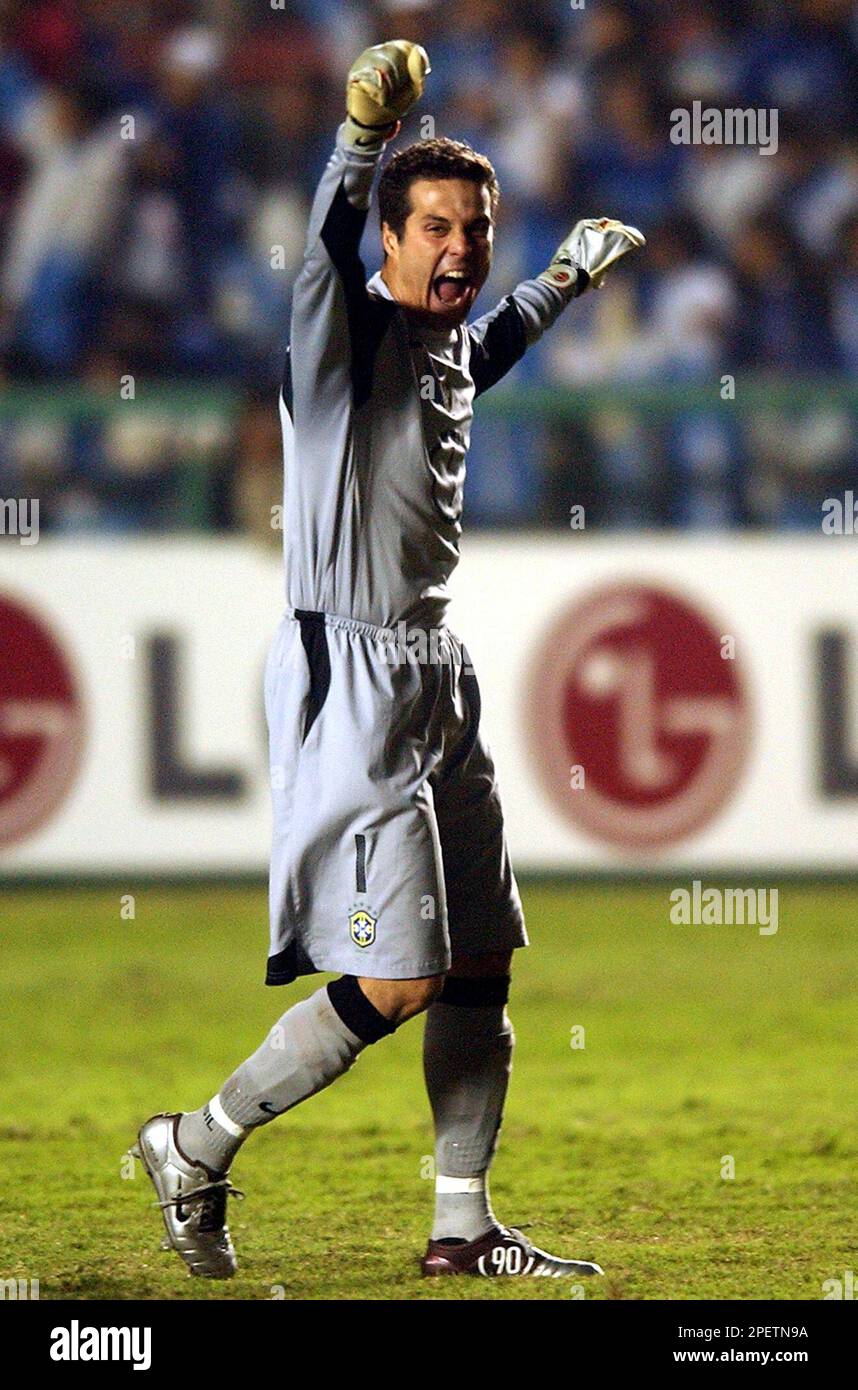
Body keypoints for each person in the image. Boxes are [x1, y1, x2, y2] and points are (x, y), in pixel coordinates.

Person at [133, 39, 643, 1282]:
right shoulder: (339, 337)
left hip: (435, 673)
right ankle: (194, 1144)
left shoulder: (448, 340)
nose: (461, 248)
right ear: (391, 241)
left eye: (476, 227)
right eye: (434, 228)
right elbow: (318, 249)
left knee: (479, 957)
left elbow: (491, 349)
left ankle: (461, 1227)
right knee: (402, 974)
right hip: (343, 681)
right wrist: (360, 138)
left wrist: (563, 280)